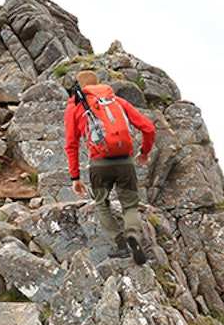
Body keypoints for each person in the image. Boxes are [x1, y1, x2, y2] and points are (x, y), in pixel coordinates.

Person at [64, 70, 156, 264]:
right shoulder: (116, 101)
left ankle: (119, 246)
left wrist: (75, 177)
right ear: (98, 84)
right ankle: (133, 234)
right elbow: (148, 127)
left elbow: (72, 144)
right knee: (130, 204)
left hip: (99, 164)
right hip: (125, 161)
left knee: (102, 203)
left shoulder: (75, 107)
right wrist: (145, 152)